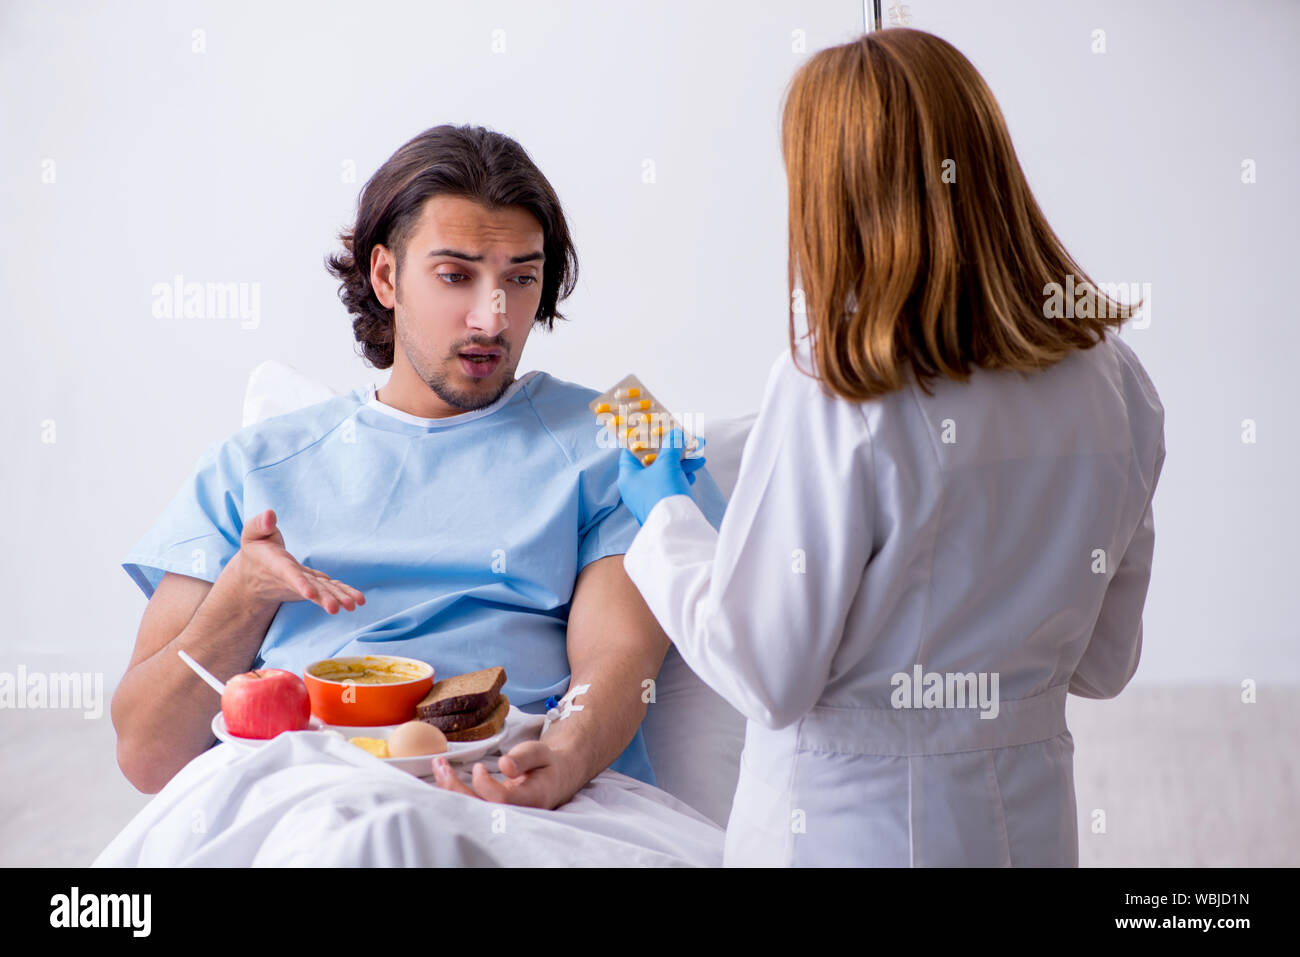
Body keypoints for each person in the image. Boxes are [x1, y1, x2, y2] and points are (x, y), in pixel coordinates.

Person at [617, 28, 1166, 866]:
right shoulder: (1118, 382)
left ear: (832, 193)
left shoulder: (836, 386)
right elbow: (1105, 661)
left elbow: (768, 673)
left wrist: (665, 522)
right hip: (1029, 830)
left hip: (844, 832)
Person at [109, 124, 728, 839]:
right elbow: (147, 754)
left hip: (516, 790)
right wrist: (243, 596)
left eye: (520, 278)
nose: (491, 317)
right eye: (455, 274)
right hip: (305, 790)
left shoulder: (617, 433)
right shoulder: (252, 466)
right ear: (384, 277)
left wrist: (562, 755)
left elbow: (618, 658)